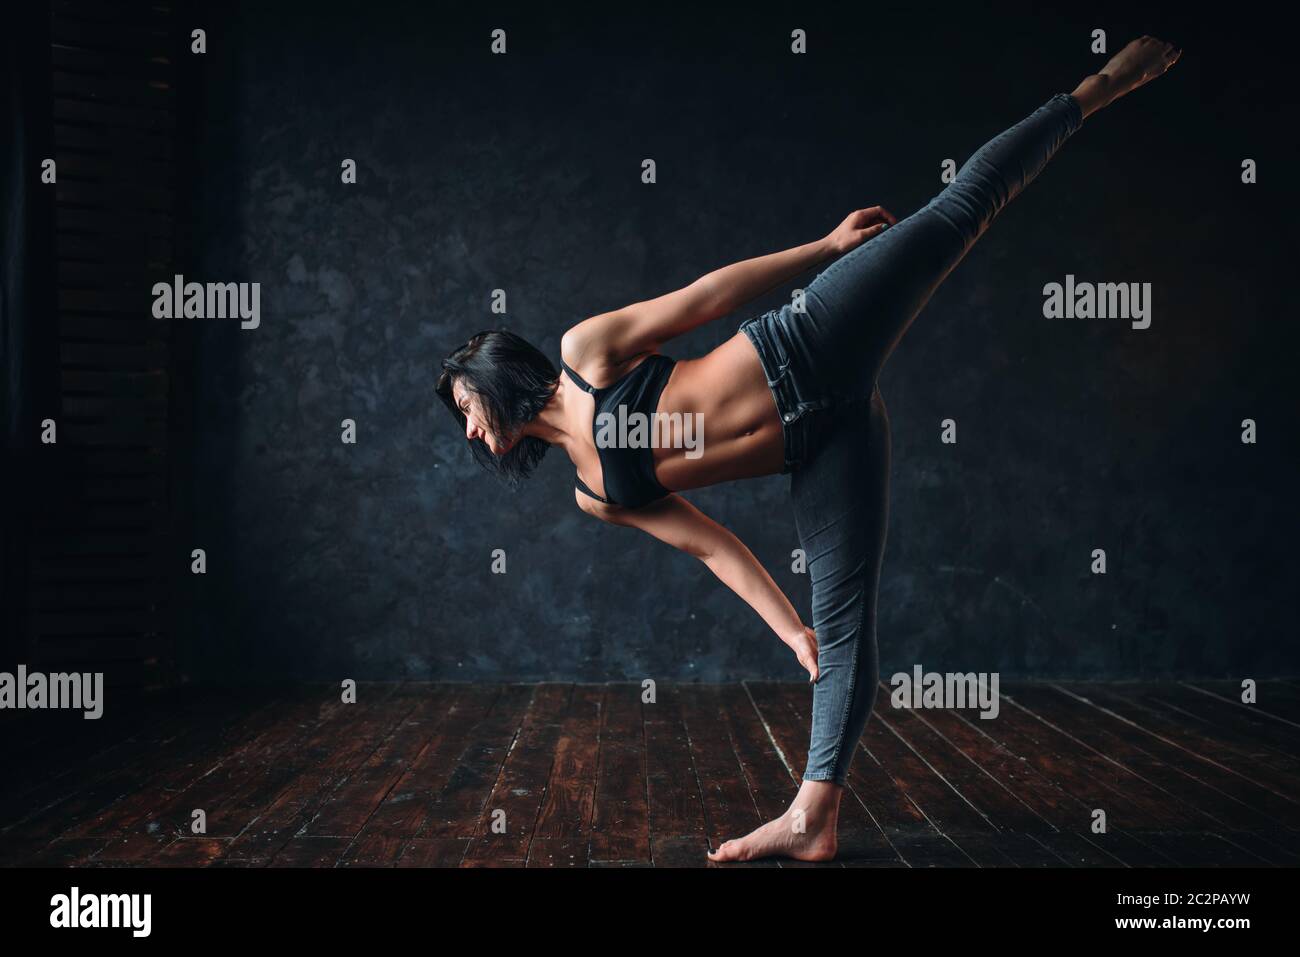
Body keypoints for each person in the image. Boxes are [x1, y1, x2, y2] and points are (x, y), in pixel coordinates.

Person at [438, 36, 1182, 862]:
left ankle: (1094, 89)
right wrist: (788, 629)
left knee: (958, 213)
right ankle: (812, 819)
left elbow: (705, 296)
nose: (470, 431)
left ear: (493, 371)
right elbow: (712, 547)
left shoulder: (587, 353)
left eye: (465, 405)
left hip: (808, 342)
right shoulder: (593, 491)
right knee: (840, 625)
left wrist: (824, 251)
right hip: (827, 441)